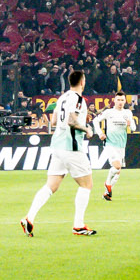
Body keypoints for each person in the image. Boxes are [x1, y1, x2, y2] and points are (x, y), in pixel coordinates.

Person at [21, 69, 96, 237]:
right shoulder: (78, 99)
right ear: (82, 82)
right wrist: (86, 129)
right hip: (71, 146)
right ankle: (78, 225)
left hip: (57, 146)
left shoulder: (61, 98)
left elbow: (54, 121)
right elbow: (71, 120)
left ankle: (29, 217)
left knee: (51, 186)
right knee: (86, 185)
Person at [94, 94, 135, 201]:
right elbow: (95, 121)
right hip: (110, 144)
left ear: (125, 101)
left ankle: (107, 193)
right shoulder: (109, 112)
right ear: (114, 101)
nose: (120, 102)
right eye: (118, 100)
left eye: (122, 100)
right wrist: (100, 133)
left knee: (117, 172)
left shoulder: (127, 113)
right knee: (117, 166)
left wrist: (130, 124)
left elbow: (134, 128)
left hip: (122, 145)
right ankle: (107, 184)